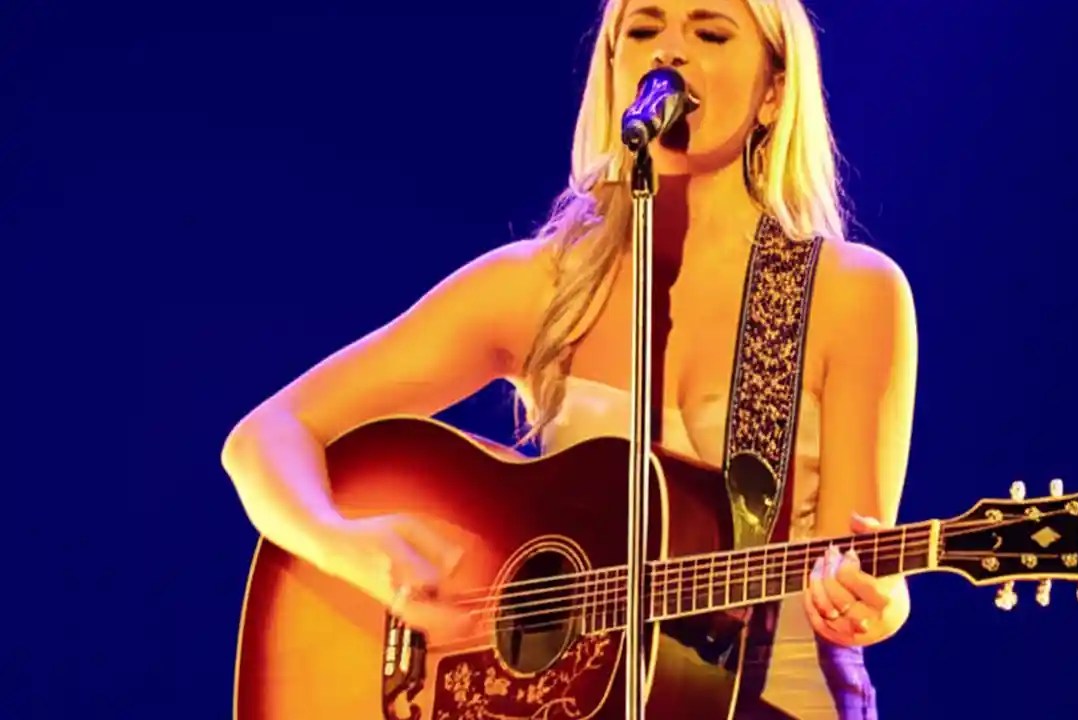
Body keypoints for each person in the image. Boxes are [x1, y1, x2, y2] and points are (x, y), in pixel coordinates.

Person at [220, 0, 918, 717]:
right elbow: (266, 436)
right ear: (612, 71)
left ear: (774, 89)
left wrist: (877, 599)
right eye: (643, 29)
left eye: (710, 32)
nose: (669, 51)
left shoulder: (852, 295)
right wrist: (349, 548)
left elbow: (860, 564)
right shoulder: (540, 286)